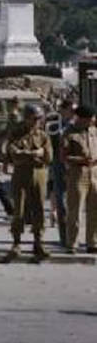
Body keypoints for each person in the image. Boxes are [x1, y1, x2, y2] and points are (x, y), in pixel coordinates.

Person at [6, 104, 52, 261]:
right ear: (26, 118)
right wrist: (33, 153)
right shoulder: (16, 134)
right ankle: (16, 242)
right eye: (34, 119)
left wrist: (30, 153)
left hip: (39, 174)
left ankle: (38, 242)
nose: (37, 122)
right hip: (21, 174)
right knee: (18, 209)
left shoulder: (43, 136)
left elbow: (48, 157)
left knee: (38, 209)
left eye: (39, 119)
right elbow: (13, 155)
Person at [62, 104, 97, 254]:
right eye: (90, 119)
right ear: (81, 119)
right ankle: (72, 243)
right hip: (77, 174)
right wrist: (81, 159)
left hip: (94, 173)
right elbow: (63, 157)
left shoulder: (94, 131)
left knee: (94, 210)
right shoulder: (69, 133)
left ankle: (92, 243)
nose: (92, 121)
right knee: (75, 210)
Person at [49, 99, 75, 239]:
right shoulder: (54, 126)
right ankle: (64, 236)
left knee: (74, 202)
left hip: (75, 167)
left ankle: (71, 236)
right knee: (61, 199)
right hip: (59, 165)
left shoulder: (77, 126)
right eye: (71, 111)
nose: (73, 114)